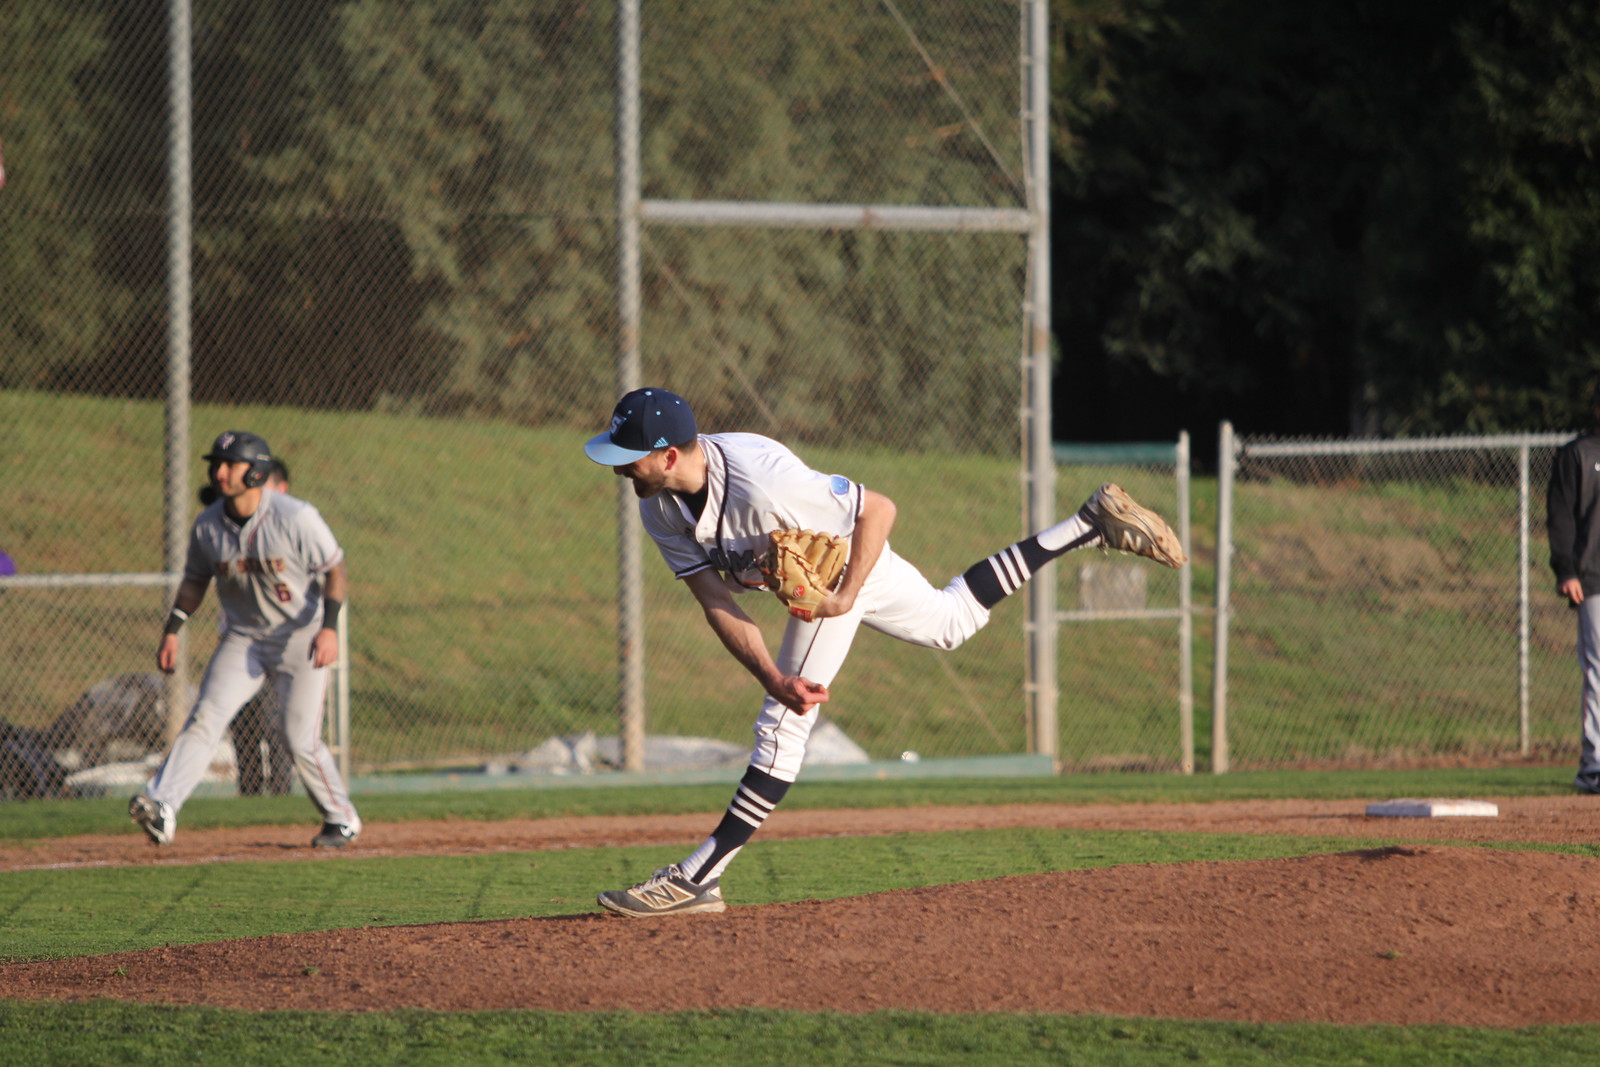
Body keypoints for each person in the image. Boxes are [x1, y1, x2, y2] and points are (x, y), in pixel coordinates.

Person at [583, 387, 1186, 916]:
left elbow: (879, 509)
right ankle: (1086, 523)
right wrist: (770, 673)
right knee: (950, 622)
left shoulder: (762, 480)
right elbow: (714, 598)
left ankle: (699, 878)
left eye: (627, 460)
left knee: (783, 725)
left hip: (844, 569)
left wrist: (843, 598)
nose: (618, 471)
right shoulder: (657, 505)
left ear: (666, 456)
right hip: (831, 578)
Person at [130, 431, 362, 847]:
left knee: (298, 738)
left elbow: (335, 569)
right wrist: (172, 631)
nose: (219, 472)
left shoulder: (295, 516)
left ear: (255, 472)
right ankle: (161, 805)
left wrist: (329, 627)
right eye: (216, 463)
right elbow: (194, 582)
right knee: (206, 718)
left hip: (299, 635)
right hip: (243, 639)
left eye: (230, 464)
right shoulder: (207, 525)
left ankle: (341, 817)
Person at [1547, 385, 1600, 794]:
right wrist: (1566, 569)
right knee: (1599, 670)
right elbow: (1561, 515)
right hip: (1593, 578)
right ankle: (1594, 767)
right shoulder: (1578, 454)